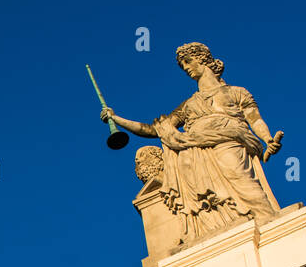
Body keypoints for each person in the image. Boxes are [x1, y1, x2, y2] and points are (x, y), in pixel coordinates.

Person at [100, 42, 283, 243]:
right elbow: (155, 130)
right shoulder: (189, 104)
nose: (186, 68)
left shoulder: (236, 92)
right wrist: (117, 119)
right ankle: (220, 227)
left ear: (202, 59)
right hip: (195, 149)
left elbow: (254, 118)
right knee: (206, 193)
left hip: (229, 141)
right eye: (183, 65)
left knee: (239, 175)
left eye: (188, 62)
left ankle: (267, 220)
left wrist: (267, 139)